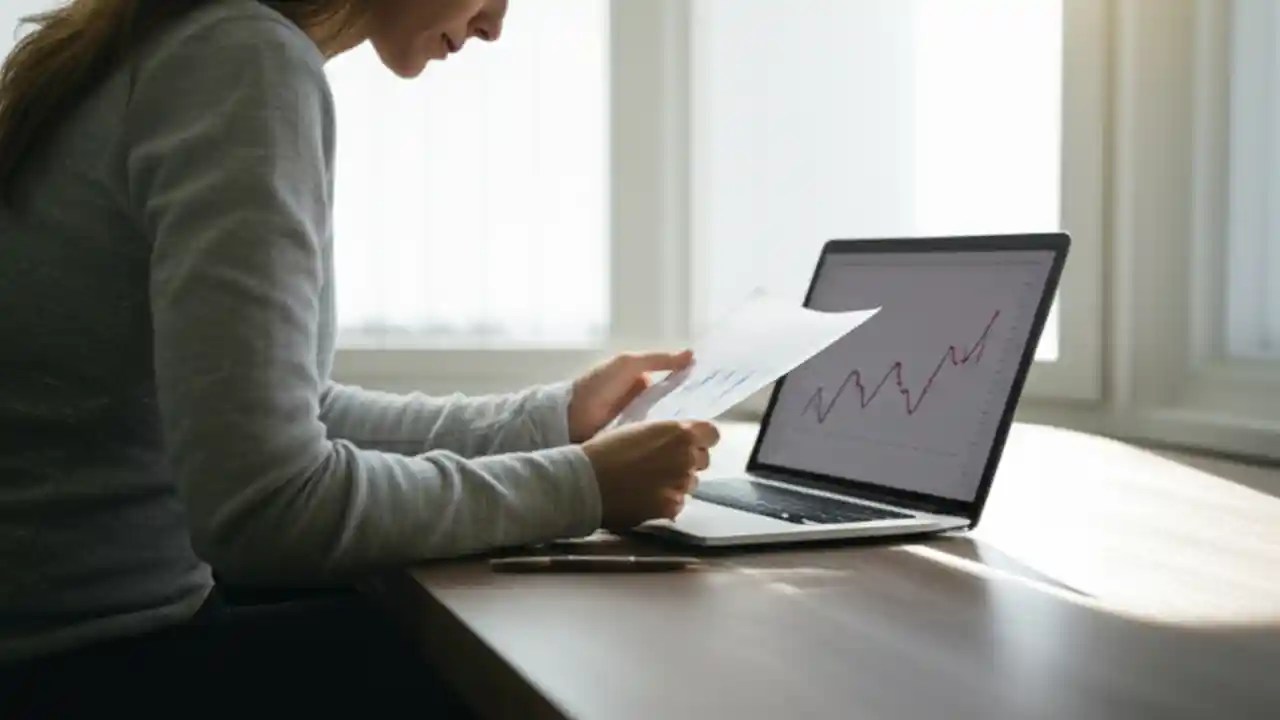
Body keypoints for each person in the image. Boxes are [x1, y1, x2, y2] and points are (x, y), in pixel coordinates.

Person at [0, 0, 720, 715]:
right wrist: (582, 487)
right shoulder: (239, 60)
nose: (496, 23)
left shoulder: (174, 42)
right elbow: (267, 510)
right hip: (87, 670)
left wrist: (550, 420)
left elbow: (295, 416)